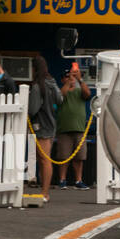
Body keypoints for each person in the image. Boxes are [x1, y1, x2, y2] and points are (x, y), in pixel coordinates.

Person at [29, 58, 62, 203]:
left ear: (34, 68)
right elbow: (60, 100)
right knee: (44, 159)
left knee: (44, 159)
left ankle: (45, 192)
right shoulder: (52, 82)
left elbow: (32, 109)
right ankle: (44, 191)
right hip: (51, 124)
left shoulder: (37, 86)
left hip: (40, 125)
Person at [53, 65, 91, 191]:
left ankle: (78, 180)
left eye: (72, 76)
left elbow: (88, 94)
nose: (71, 78)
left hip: (79, 128)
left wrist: (80, 80)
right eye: (68, 77)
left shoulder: (80, 90)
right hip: (64, 129)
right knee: (63, 156)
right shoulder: (61, 90)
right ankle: (62, 180)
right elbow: (61, 96)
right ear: (63, 79)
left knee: (79, 157)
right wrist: (69, 82)